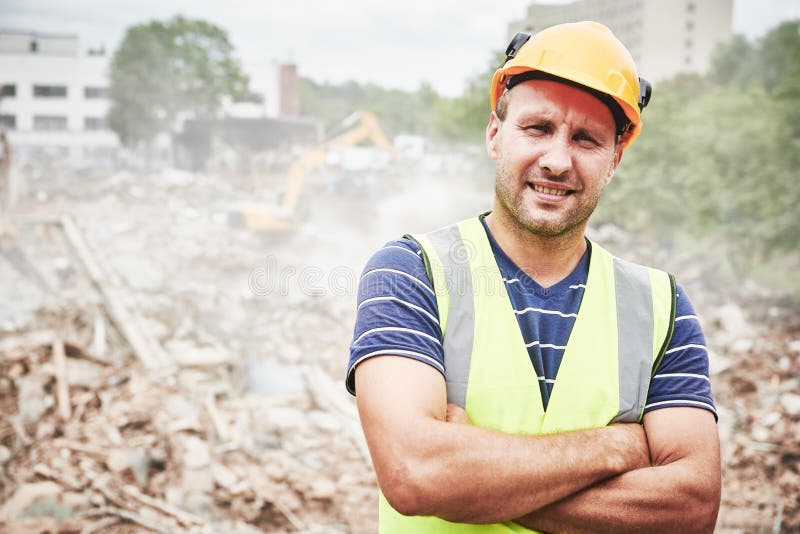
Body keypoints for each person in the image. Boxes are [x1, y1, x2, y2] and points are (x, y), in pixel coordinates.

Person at [346, 21, 721, 533]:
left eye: (586, 139)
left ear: (613, 160)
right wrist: (616, 448)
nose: (558, 160)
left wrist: (470, 482)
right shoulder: (411, 272)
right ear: (496, 135)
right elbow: (415, 471)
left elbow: (691, 508)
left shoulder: (661, 306)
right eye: (538, 128)